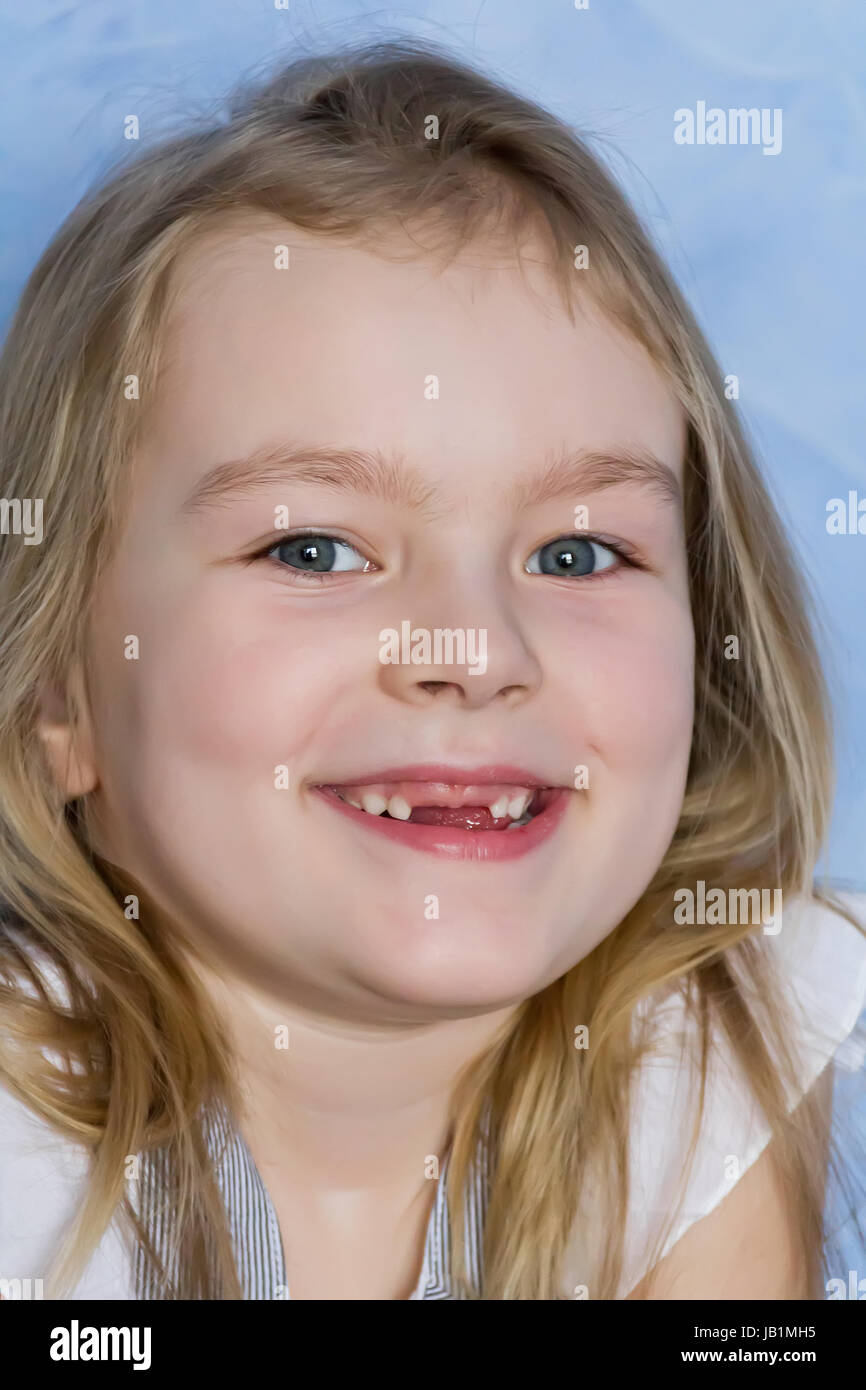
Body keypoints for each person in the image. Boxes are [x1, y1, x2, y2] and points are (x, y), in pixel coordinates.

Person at [1, 37, 864, 1301]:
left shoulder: (706, 1058)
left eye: (576, 553)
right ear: (57, 693)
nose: (475, 656)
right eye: (314, 547)